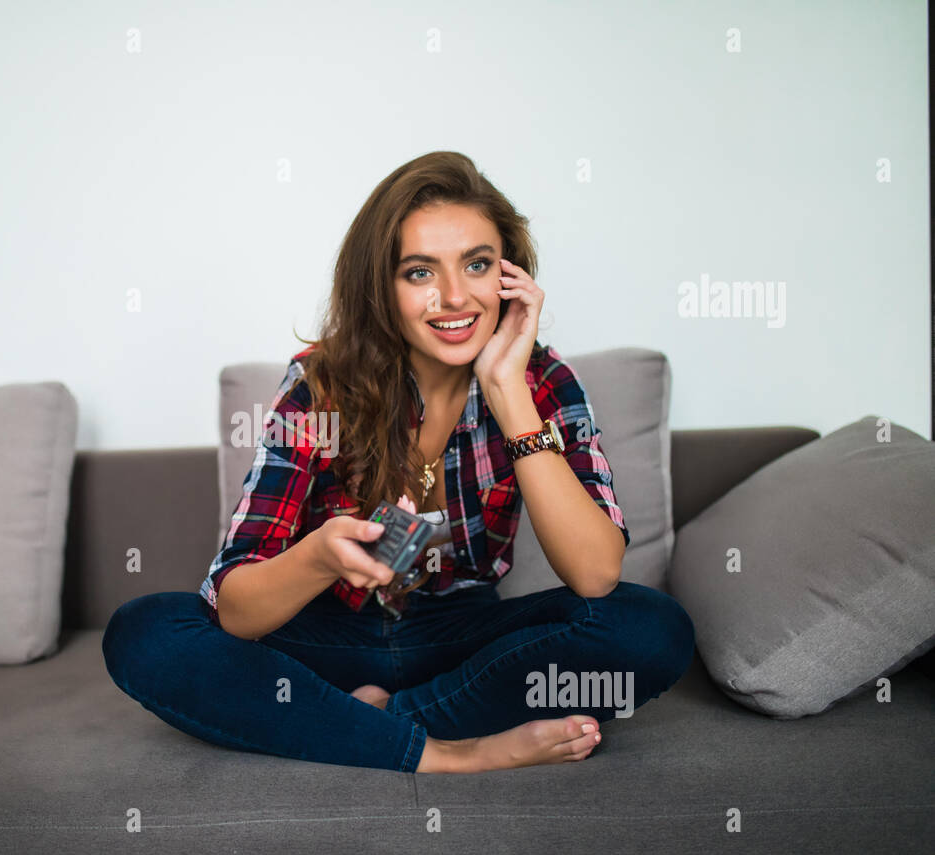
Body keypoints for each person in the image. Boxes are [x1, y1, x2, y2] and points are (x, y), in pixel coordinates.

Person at [103, 151, 695, 774]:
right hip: (323, 636)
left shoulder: (540, 381)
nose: (454, 296)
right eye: (419, 272)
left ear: (509, 275)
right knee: (146, 632)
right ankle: (443, 752)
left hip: (463, 638)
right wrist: (319, 556)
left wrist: (509, 394)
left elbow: (596, 575)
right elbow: (237, 610)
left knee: (649, 628)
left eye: (476, 264)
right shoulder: (322, 385)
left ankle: (366, 720)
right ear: (381, 286)